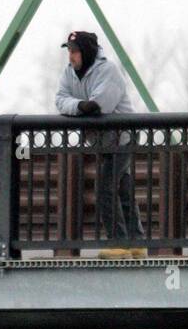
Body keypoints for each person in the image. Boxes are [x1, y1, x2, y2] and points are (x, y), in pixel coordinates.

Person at [55, 30, 145, 250]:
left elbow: (99, 106)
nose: (71, 56)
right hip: (103, 141)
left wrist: (80, 106)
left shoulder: (108, 70)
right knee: (122, 188)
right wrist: (79, 106)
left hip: (123, 136)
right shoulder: (69, 73)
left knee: (104, 187)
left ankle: (119, 243)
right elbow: (60, 99)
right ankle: (137, 243)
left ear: (86, 52)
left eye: (74, 51)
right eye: (69, 51)